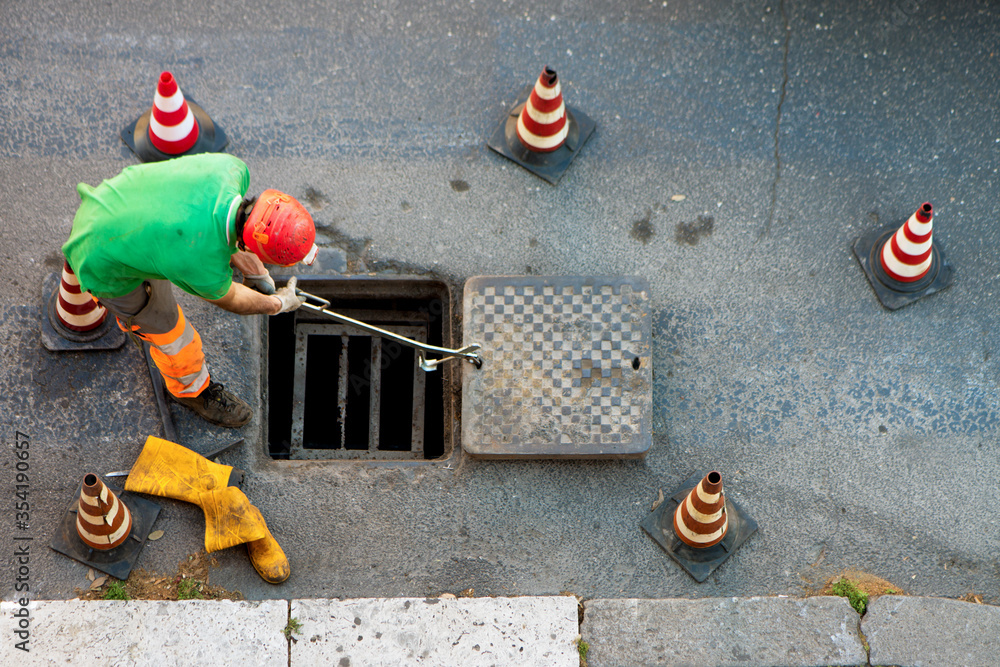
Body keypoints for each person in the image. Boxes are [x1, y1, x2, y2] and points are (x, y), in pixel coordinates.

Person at [62, 153, 317, 428]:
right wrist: (277, 304)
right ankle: (191, 390)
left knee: (200, 242)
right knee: (172, 334)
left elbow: (225, 224)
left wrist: (258, 274)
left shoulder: (231, 170)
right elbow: (230, 298)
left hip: (113, 204)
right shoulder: (198, 262)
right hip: (100, 257)